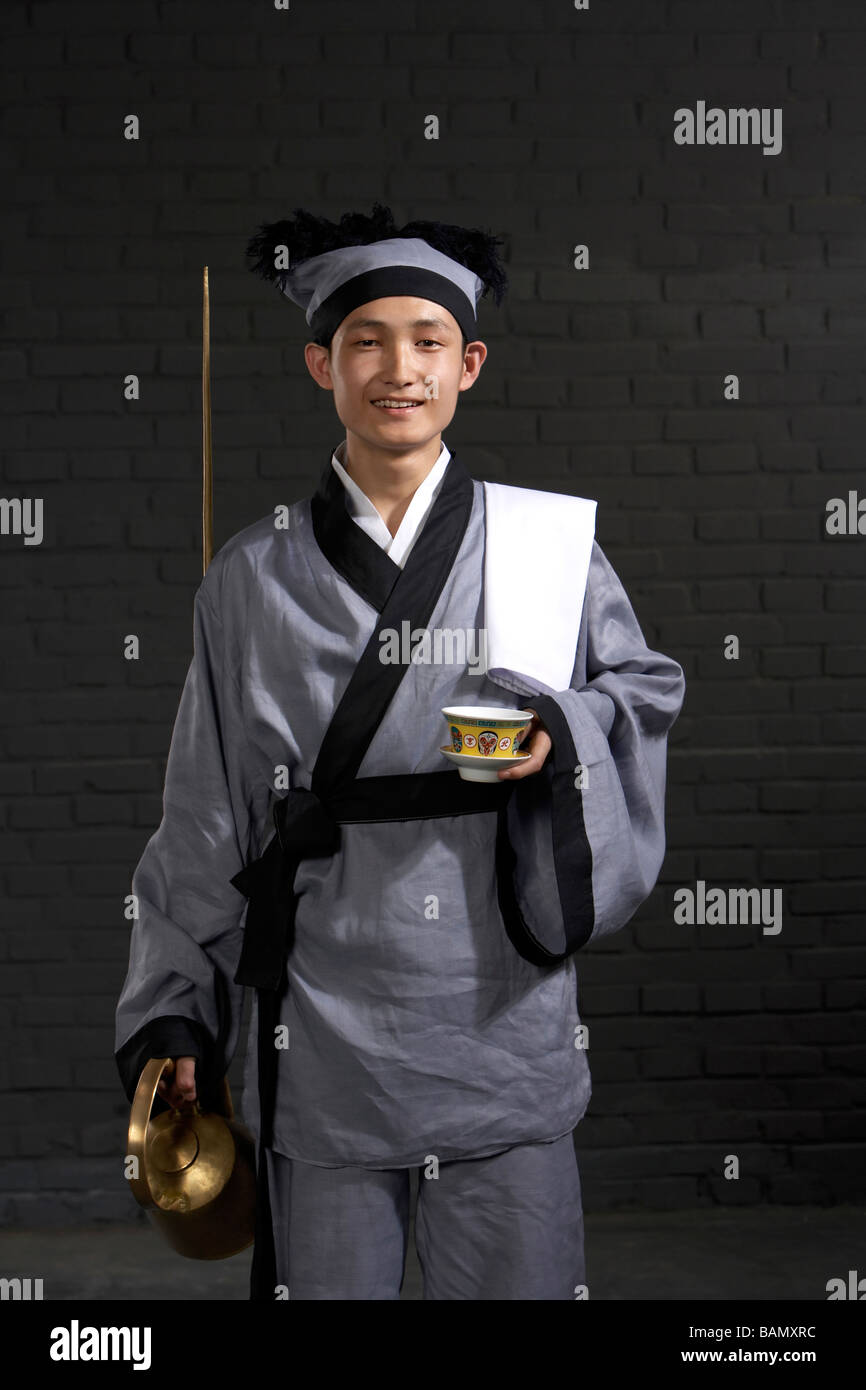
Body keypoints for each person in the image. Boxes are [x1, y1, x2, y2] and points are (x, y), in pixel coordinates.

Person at [115, 203, 686, 1300]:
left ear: (466, 363)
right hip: (325, 1021)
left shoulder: (542, 543)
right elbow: (203, 813)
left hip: (497, 1005)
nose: (397, 367)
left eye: (426, 340)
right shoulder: (248, 577)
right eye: (364, 340)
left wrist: (562, 735)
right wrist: (176, 1006)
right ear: (319, 363)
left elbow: (640, 691)